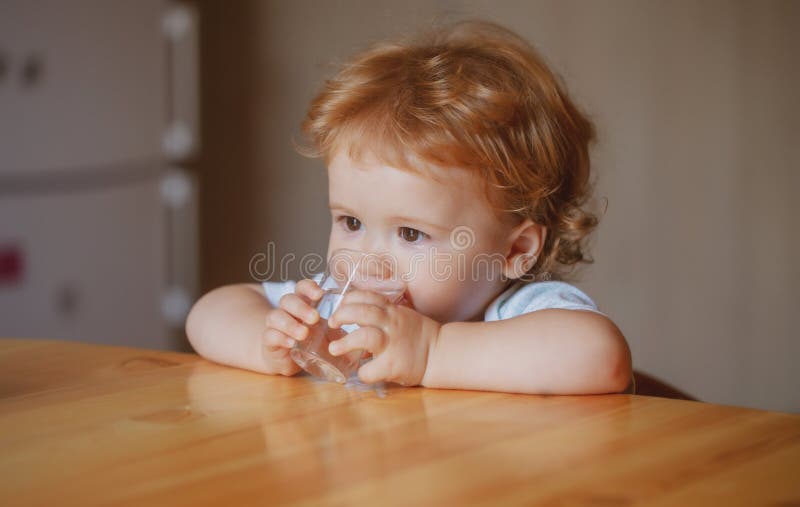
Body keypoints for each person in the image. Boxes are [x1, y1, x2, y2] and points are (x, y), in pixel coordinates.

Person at [186, 20, 632, 394]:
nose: (368, 261)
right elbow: (209, 311)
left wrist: (433, 352)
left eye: (411, 234)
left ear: (514, 252)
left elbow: (601, 356)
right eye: (351, 221)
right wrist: (266, 344)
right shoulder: (333, 314)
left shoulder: (520, 312)